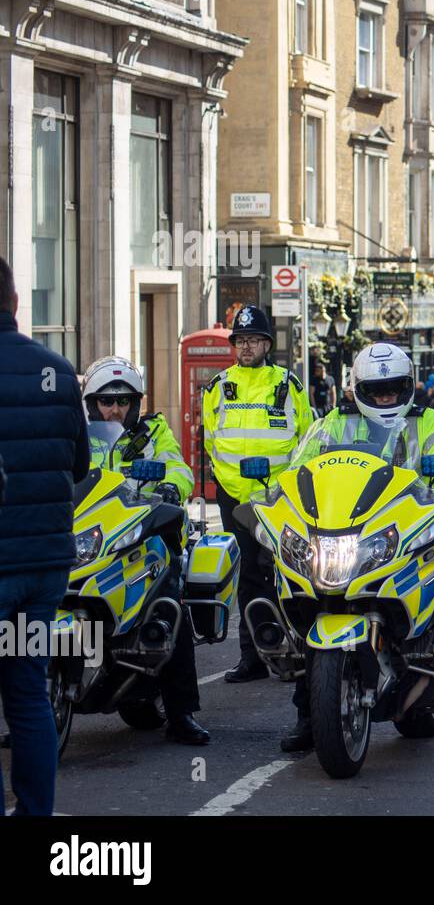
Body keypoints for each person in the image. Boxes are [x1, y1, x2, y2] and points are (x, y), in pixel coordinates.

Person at [277, 343, 434, 751]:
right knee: (295, 593)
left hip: (408, 527)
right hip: (346, 528)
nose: (386, 399)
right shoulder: (334, 423)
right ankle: (309, 714)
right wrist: (281, 494)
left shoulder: (429, 420)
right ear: (358, 390)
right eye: (377, 391)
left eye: (394, 390)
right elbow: (299, 467)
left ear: (409, 387)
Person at [0, 256, 90, 815]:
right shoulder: (55, 370)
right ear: (14, 304)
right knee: (29, 696)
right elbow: (79, 465)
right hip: (42, 575)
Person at [81, 357, 209, 745]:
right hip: (94, 536)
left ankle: (181, 712)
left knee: (168, 606)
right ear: (92, 404)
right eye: (106, 401)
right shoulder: (81, 436)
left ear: (136, 402)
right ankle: (29, 711)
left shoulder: (153, 432)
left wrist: (171, 485)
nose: (115, 409)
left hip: (146, 532)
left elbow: (179, 468)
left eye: (122, 400)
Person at [202, 305, 313, 687]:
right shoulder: (217, 387)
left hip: (279, 499)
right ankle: (252, 656)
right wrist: (230, 485)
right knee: (248, 577)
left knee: (286, 573)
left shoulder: (289, 385)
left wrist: (290, 489)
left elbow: (306, 441)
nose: (246, 347)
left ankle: (293, 650)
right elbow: (210, 441)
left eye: (253, 340)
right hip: (235, 499)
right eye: (241, 341)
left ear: (267, 344)